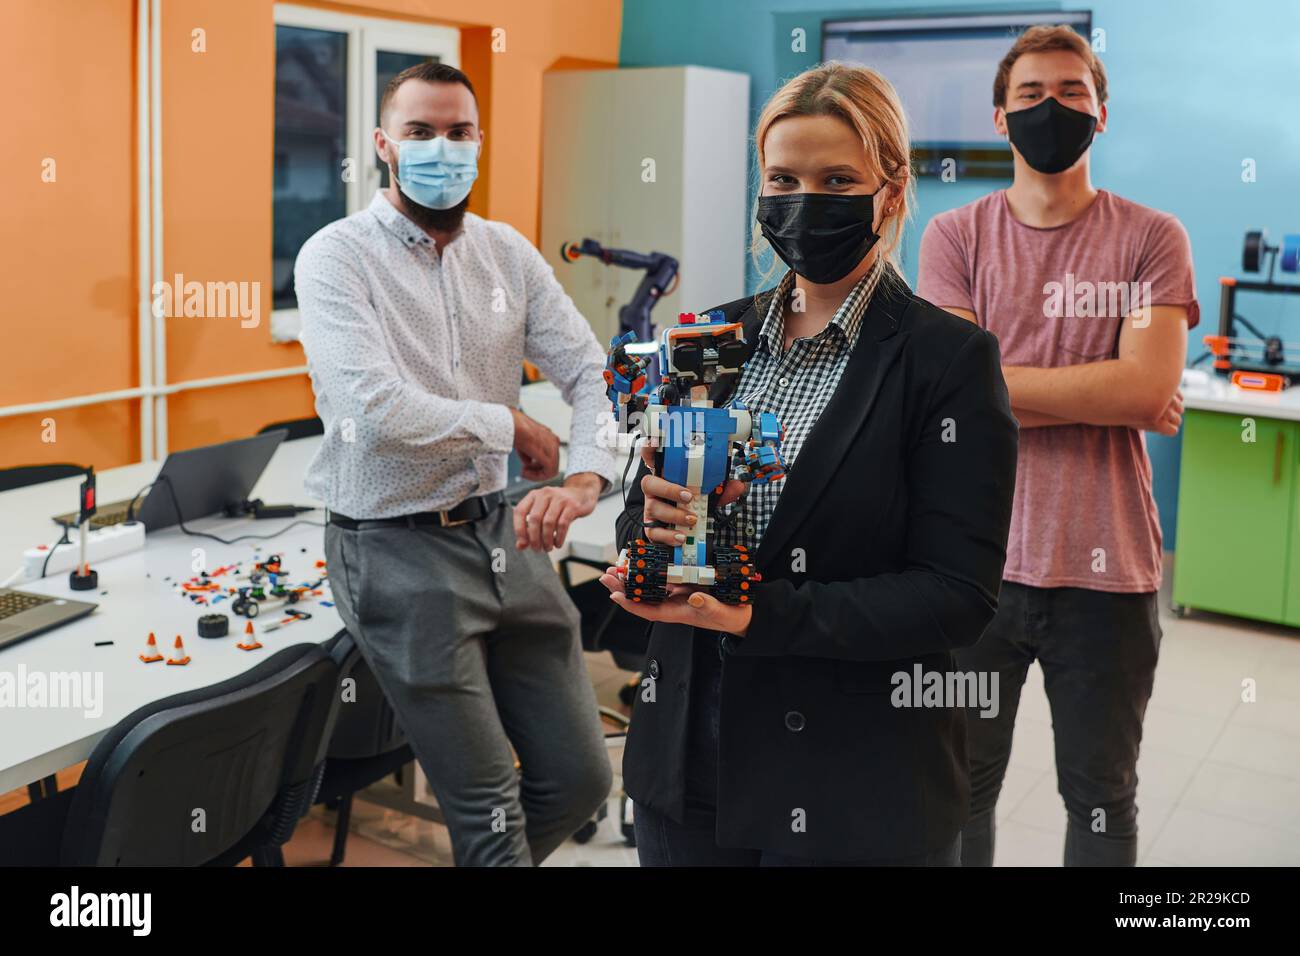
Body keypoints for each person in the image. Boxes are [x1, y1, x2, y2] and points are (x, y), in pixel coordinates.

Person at [598, 62, 1018, 865]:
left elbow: (956, 597)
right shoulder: (709, 341)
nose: (803, 200)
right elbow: (647, 501)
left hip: (850, 781)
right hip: (688, 763)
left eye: (836, 179)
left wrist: (762, 614)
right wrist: (646, 530)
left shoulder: (947, 360)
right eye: (782, 178)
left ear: (890, 193)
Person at [295, 62, 617, 866]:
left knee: (581, 782)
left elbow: (595, 373)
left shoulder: (506, 254)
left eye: (458, 132)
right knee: (489, 814)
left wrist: (586, 476)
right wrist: (503, 421)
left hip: (505, 536)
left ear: (479, 142)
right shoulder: (336, 257)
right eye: (420, 132)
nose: (442, 147)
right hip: (395, 549)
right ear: (383, 145)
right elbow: (371, 411)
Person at [917, 24, 1199, 866]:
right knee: (957, 790)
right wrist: (1108, 390)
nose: (1053, 108)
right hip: (972, 568)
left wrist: (1008, 385)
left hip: (1109, 576)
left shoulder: (1153, 238)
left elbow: (1145, 389)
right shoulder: (953, 239)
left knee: (1102, 799)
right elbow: (947, 400)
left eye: (1072, 92)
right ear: (1000, 118)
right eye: (1032, 94)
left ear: (1102, 114)